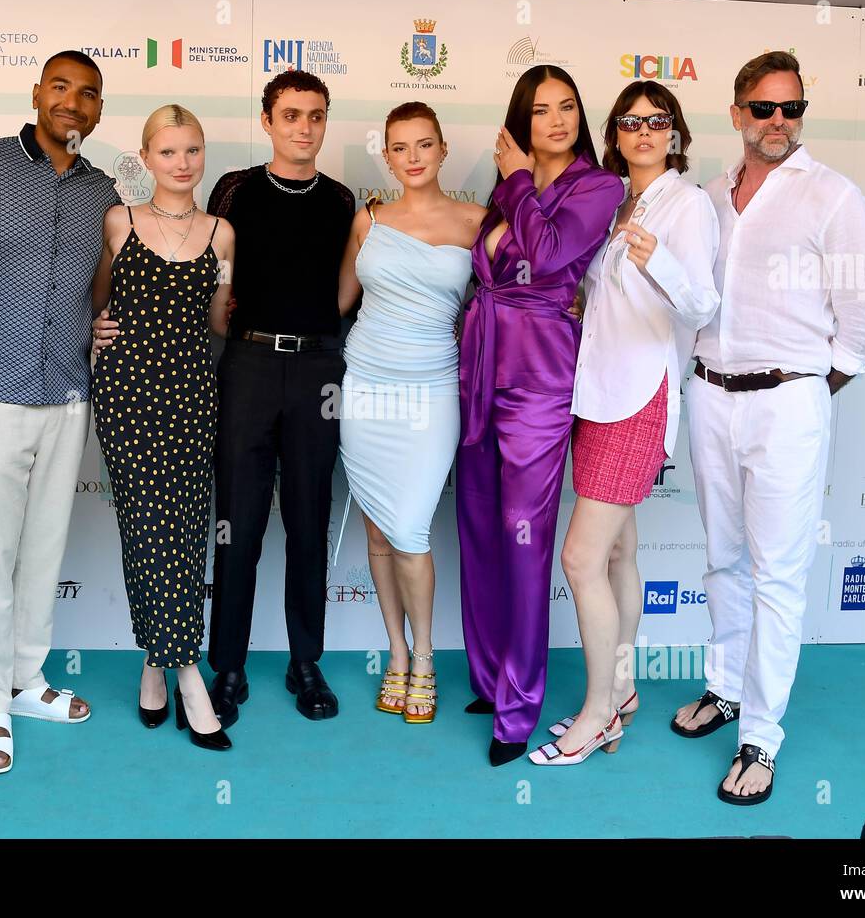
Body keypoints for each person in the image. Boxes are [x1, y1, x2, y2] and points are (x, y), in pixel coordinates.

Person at [672, 51, 865, 803]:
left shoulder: (833, 197)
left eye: (791, 109)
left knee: (778, 576)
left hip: (789, 402)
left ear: (802, 115)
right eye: (763, 109)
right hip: (709, 395)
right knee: (723, 558)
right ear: (736, 113)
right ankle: (724, 688)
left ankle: (760, 738)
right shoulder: (705, 198)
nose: (777, 123)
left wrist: (806, 390)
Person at [532, 81, 719, 766]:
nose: (644, 131)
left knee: (580, 558)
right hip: (597, 393)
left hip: (640, 396)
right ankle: (624, 685)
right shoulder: (615, 199)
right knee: (616, 554)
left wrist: (657, 259)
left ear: (675, 132)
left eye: (657, 121)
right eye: (631, 121)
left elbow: (702, 306)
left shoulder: (688, 204)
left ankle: (598, 713)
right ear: (616, 132)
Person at [0, 50, 121, 774]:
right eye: (60, 88)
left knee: (43, 548)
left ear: (99, 111)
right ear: (37, 93)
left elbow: (102, 285)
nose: (72, 104)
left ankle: (24, 681)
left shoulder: (103, 190)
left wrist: (104, 321)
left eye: (87, 94)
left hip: (67, 390)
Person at [458, 64, 622, 766]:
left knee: (525, 545)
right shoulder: (507, 191)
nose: (556, 119)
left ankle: (520, 708)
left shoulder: (598, 186)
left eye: (568, 107)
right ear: (521, 119)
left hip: (540, 383)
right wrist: (516, 185)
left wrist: (520, 178)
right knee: (480, 530)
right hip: (481, 371)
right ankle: (492, 676)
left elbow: (551, 257)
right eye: (541, 109)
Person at [200, 71, 355, 727]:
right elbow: (209, 281)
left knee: (308, 522)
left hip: (319, 366)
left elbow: (348, 291)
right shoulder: (234, 190)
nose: (304, 127)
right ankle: (228, 666)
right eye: (291, 115)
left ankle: (305, 662)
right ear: (267, 120)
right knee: (237, 522)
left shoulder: (343, 200)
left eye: (316, 116)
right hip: (248, 363)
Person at [89, 104, 234, 750]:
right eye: (168, 151)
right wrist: (96, 329)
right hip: (127, 394)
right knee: (146, 531)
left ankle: (153, 660)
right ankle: (188, 674)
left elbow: (219, 323)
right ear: (145, 159)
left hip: (192, 393)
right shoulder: (118, 221)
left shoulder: (223, 233)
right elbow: (97, 300)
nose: (182, 163)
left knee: (184, 531)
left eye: (193, 150)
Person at [335, 102, 483, 724]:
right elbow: (339, 300)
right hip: (366, 385)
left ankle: (425, 657)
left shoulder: (479, 222)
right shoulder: (367, 220)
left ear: (443, 150)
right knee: (376, 531)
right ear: (387, 156)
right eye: (400, 147)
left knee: (412, 530)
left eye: (425, 144)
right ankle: (395, 653)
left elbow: (507, 304)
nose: (413, 156)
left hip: (429, 392)